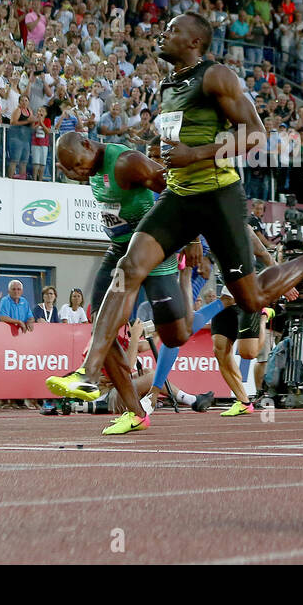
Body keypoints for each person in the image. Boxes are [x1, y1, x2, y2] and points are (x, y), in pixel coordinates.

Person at [45, 17, 303, 435]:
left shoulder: (216, 76)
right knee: (129, 267)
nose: (160, 35)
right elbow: (174, 144)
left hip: (219, 195)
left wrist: (197, 153)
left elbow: (256, 134)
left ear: (193, 40)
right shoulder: (167, 87)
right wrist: (166, 152)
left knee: (251, 297)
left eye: (169, 31)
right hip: (179, 197)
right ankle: (88, 372)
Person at [53, 133, 228, 424]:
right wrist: (73, 171)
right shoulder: (88, 168)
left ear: (87, 144)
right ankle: (130, 408)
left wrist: (194, 237)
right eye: (71, 169)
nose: (78, 173)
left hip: (152, 249)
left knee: (177, 333)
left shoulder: (127, 162)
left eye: (78, 165)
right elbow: (92, 180)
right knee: (101, 319)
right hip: (119, 250)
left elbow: (178, 189)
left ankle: (222, 301)